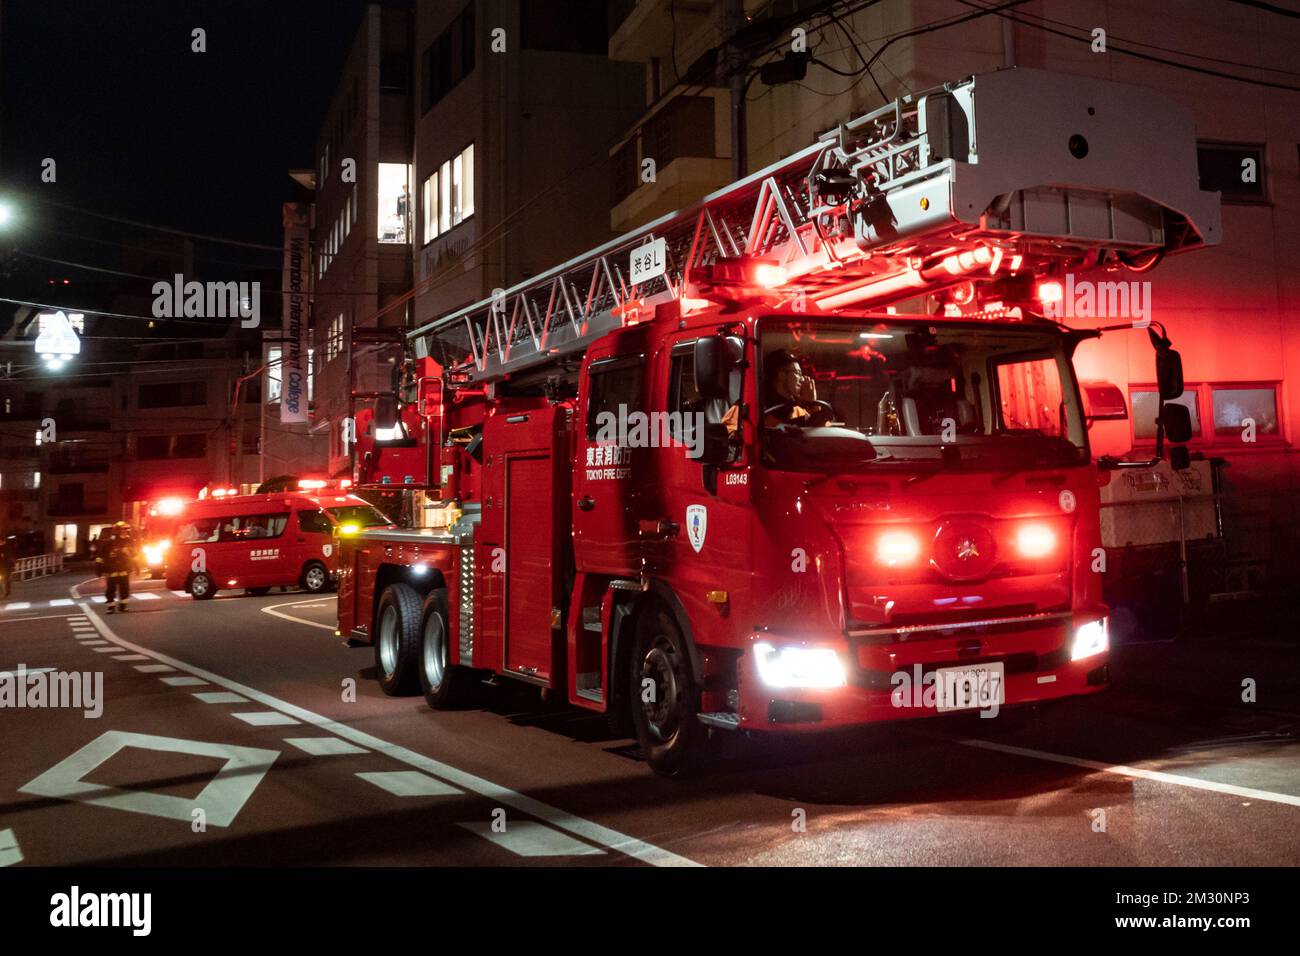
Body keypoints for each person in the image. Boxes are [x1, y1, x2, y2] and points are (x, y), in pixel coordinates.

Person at [763, 349, 835, 427]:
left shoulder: (797, 408)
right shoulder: (764, 411)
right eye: (797, 373)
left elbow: (823, 431)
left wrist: (812, 404)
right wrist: (812, 405)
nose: (802, 379)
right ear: (781, 375)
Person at [97, 521, 137, 614]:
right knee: (111, 589)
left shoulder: (129, 541)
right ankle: (111, 607)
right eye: (124, 530)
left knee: (125, 588)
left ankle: (123, 606)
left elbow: (134, 555)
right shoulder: (109, 543)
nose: (126, 532)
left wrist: (136, 565)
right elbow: (101, 556)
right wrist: (99, 567)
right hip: (111, 570)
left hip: (124, 569)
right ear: (117, 531)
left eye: (127, 530)